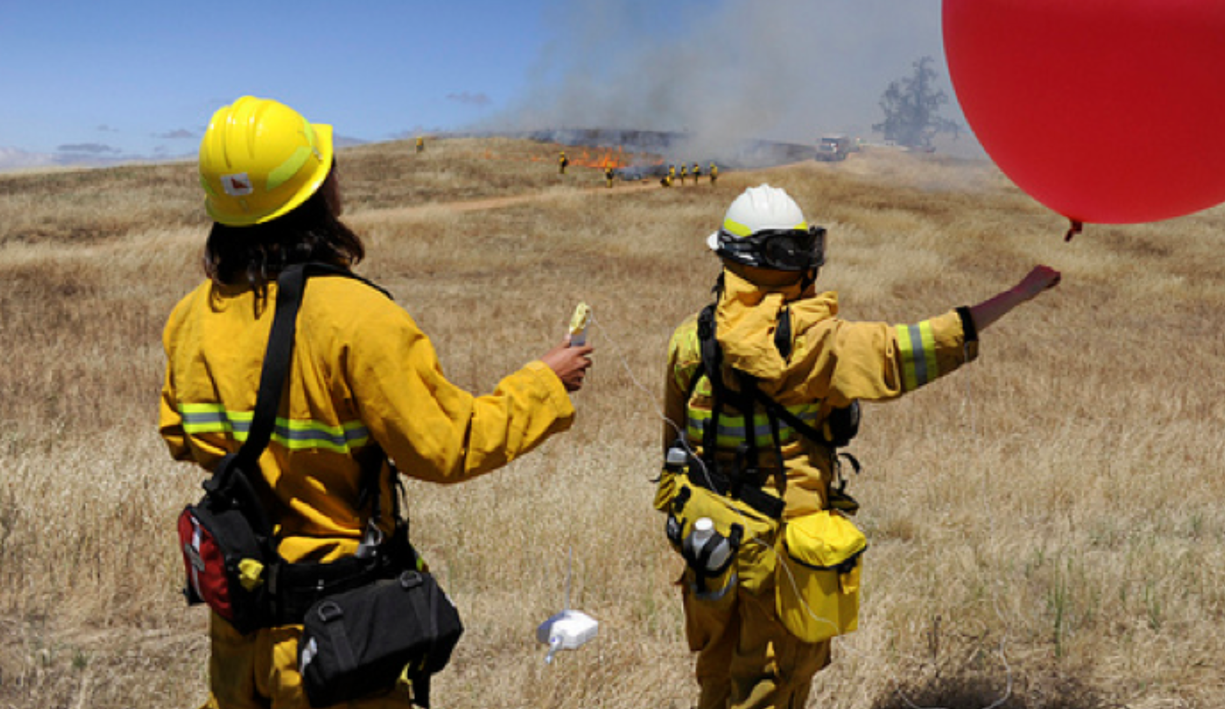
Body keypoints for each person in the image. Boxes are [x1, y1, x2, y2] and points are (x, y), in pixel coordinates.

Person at [161, 96, 593, 709]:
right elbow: (445, 446)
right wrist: (544, 384)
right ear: (313, 195)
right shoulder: (358, 317)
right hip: (336, 642)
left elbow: (180, 436)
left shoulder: (191, 316)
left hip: (240, 638)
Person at [659, 184, 1058, 709]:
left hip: (707, 540)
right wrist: (1017, 294)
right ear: (797, 263)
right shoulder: (821, 343)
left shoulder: (690, 338)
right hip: (783, 549)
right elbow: (911, 349)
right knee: (775, 680)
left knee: (716, 670)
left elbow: (673, 444)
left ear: (728, 261)